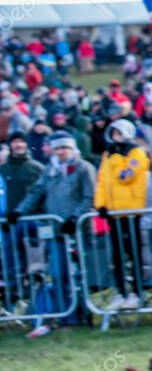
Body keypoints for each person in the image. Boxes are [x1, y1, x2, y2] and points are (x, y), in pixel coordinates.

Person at [14, 131, 95, 333]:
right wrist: (19, 211)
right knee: (59, 275)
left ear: (72, 148)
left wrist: (75, 218)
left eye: (64, 147)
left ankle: (84, 314)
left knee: (80, 275)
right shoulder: (50, 170)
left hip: (78, 230)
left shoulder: (83, 168)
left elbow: (89, 196)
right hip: (56, 231)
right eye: (57, 148)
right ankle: (66, 318)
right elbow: (37, 193)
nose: (60, 152)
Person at [93, 120, 151, 310]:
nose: (116, 137)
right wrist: (101, 204)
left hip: (131, 211)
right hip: (114, 213)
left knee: (134, 253)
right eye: (113, 133)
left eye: (119, 133)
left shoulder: (136, 152)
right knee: (117, 256)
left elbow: (126, 176)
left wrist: (117, 159)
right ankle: (121, 292)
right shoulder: (108, 154)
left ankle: (137, 292)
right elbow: (102, 180)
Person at [1, 132, 44, 294]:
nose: (18, 145)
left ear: (26, 144)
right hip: (9, 221)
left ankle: (36, 290)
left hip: (33, 219)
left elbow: (45, 192)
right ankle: (14, 292)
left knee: (35, 260)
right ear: (10, 145)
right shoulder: (3, 169)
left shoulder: (37, 168)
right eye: (15, 142)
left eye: (21, 141)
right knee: (11, 258)